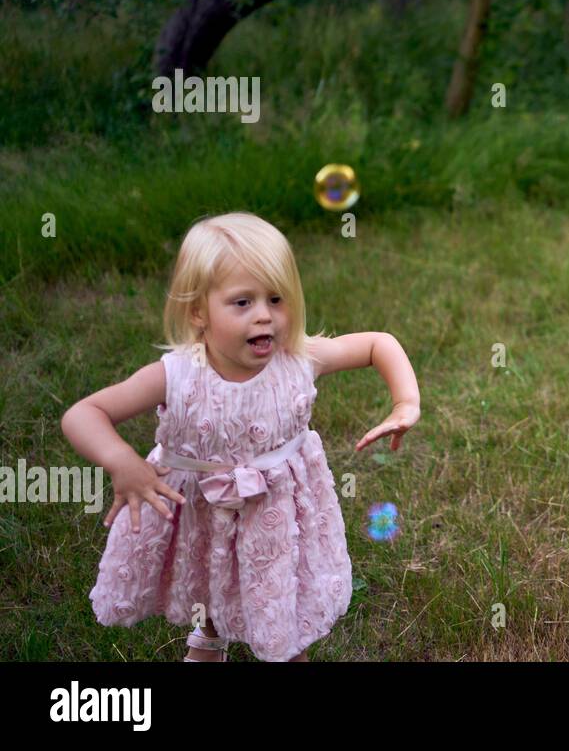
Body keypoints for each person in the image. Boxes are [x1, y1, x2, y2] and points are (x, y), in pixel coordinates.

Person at [61, 212, 420, 661]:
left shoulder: (299, 360)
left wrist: (405, 403)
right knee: (208, 570)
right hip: (198, 506)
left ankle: (285, 649)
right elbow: (84, 413)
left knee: (274, 593)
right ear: (198, 312)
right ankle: (209, 636)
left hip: (275, 508)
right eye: (242, 303)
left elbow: (377, 344)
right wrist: (122, 462)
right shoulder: (176, 376)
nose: (264, 316)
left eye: (276, 298)